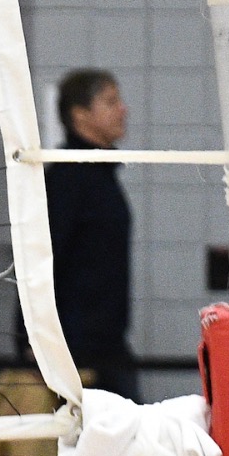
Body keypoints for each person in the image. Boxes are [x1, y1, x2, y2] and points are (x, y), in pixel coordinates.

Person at [46, 68, 137, 401]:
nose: (123, 109)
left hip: (108, 349)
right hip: (77, 356)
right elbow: (44, 260)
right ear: (80, 114)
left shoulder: (101, 176)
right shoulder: (68, 179)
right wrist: (31, 343)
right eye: (111, 101)